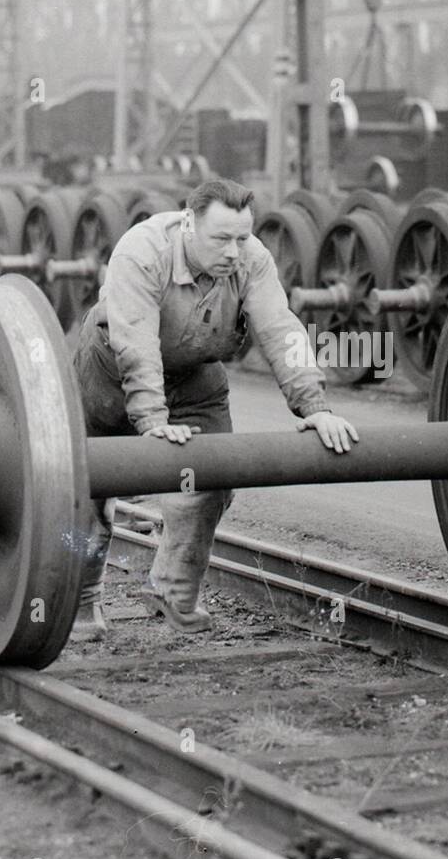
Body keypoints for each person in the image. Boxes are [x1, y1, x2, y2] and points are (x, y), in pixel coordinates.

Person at [72, 177, 359, 631]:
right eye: (221, 238)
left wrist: (314, 406)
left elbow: (281, 329)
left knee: (213, 474)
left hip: (195, 374)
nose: (232, 251)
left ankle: (173, 590)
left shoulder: (251, 260)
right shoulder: (142, 251)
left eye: (241, 238)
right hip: (109, 372)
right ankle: (82, 601)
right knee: (86, 488)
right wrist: (151, 419)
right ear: (189, 223)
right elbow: (135, 341)